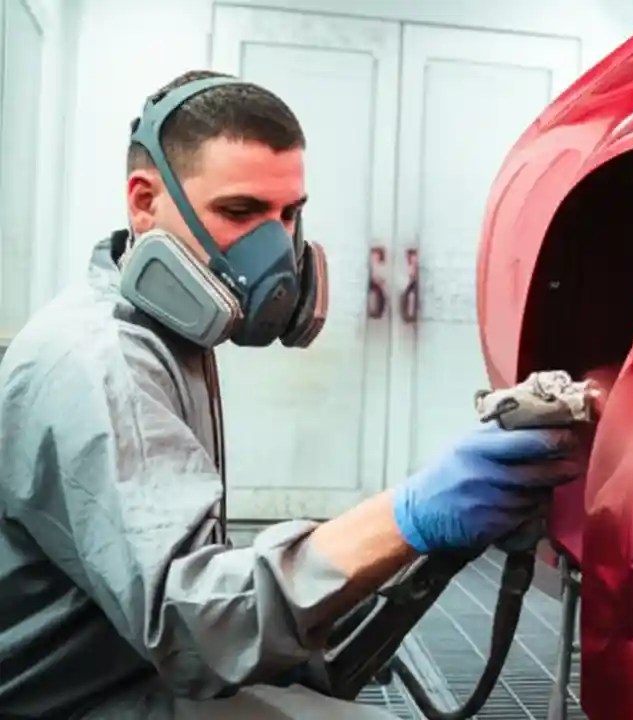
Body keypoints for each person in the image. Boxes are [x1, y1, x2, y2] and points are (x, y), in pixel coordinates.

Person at [0, 70, 582, 719]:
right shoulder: (101, 363)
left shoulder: (166, 338)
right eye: (241, 213)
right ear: (144, 203)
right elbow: (194, 629)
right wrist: (410, 514)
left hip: (131, 670)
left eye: (288, 215)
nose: (276, 253)